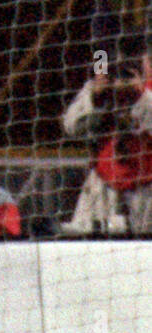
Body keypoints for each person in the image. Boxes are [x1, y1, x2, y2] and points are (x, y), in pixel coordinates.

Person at [60, 48, 152, 235]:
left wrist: (140, 96)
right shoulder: (99, 89)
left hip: (146, 188)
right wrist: (95, 97)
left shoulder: (146, 92)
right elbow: (70, 126)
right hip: (103, 184)